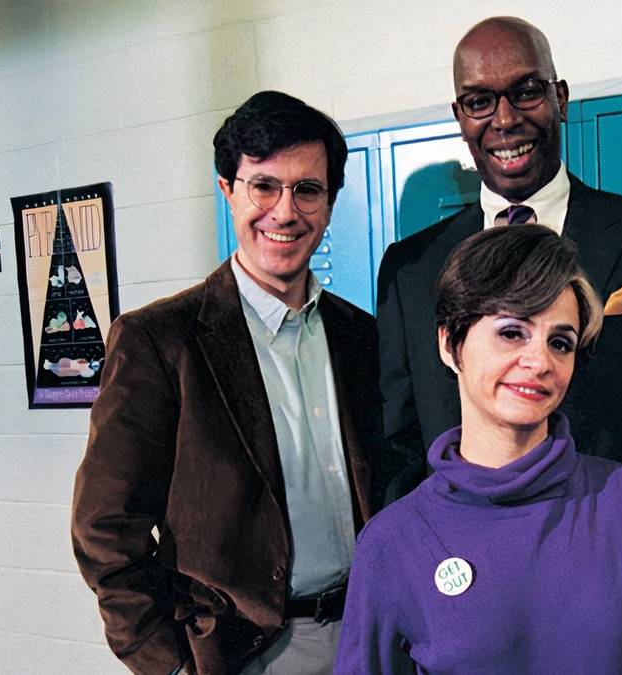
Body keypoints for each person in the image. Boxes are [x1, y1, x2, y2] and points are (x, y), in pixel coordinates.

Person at [71, 91, 383, 674]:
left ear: (330, 202)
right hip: (240, 652)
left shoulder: (362, 336)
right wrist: (165, 663)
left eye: (307, 189)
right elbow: (105, 528)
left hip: (366, 634)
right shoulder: (159, 340)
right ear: (228, 190)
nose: (285, 212)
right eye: (264, 186)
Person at [336, 225, 622, 674]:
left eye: (560, 343)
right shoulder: (392, 541)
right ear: (450, 345)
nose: (539, 362)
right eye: (512, 333)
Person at [375, 16, 622, 498]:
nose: (505, 119)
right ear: (460, 117)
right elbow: (403, 441)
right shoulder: (409, 269)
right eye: (479, 101)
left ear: (561, 98)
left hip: (606, 521)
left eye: (526, 92)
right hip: (461, 533)